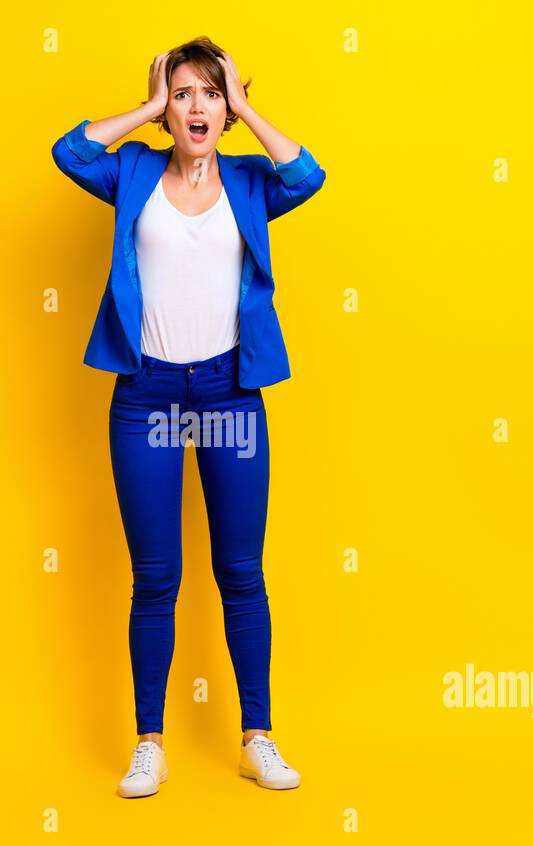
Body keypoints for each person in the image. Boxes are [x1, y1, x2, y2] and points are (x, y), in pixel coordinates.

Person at [50, 36, 326, 797]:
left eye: (211, 94)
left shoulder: (248, 182)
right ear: (166, 109)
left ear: (227, 108)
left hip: (229, 395)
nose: (196, 106)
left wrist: (246, 106)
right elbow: (68, 151)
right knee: (155, 577)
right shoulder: (132, 171)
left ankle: (256, 737)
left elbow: (309, 174)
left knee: (240, 572)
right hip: (148, 400)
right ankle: (150, 743)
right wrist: (144, 106)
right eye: (183, 94)